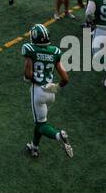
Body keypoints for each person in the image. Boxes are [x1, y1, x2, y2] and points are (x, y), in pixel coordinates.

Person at [21, 24, 73, 159]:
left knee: (41, 124)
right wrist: (57, 87)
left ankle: (58, 136)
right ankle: (34, 147)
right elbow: (65, 78)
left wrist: (27, 78)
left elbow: (28, 74)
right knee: (40, 121)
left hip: (38, 91)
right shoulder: (55, 51)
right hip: (51, 92)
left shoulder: (29, 49)